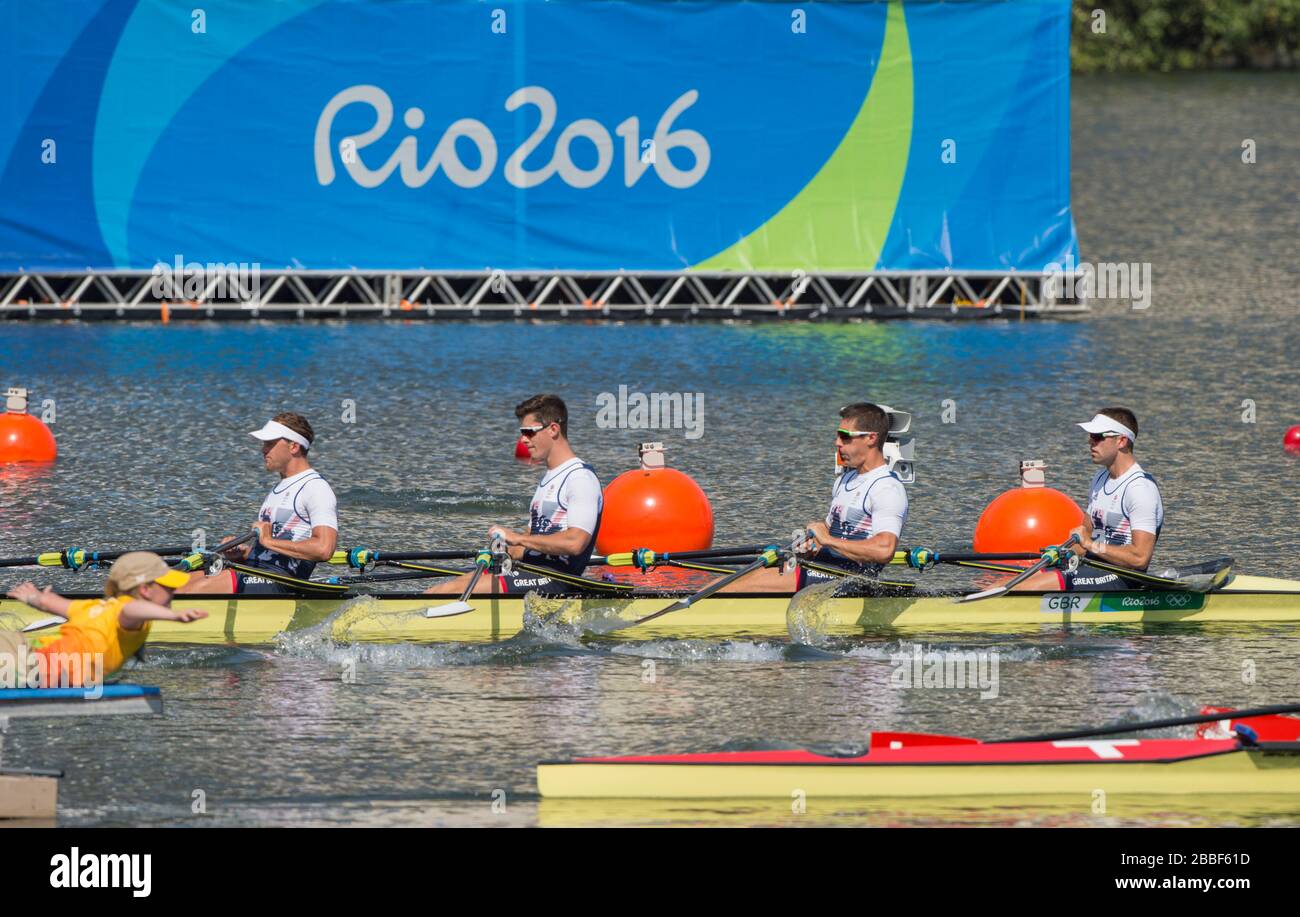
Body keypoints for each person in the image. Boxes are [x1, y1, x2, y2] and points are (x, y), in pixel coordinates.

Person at [720, 402, 908, 593]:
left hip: (852, 577)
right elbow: (831, 530)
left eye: (845, 437)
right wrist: (814, 542)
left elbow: (885, 550)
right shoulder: (846, 479)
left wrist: (826, 540)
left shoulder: (887, 488)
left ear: (871, 438)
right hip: (825, 566)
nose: (837, 442)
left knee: (732, 587)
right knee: (737, 577)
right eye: (837, 435)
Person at [426, 394, 602, 595]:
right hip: (529, 571)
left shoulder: (580, 479)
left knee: (450, 591)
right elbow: (532, 541)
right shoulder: (549, 479)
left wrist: (517, 538)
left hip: (556, 578)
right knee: (438, 589)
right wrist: (505, 551)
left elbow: (575, 542)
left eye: (529, 432)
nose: (523, 440)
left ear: (553, 429)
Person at [179, 412, 338, 594]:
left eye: (270, 443)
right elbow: (268, 551)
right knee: (175, 583)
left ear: (293, 447)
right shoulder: (278, 489)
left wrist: (268, 541)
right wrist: (242, 554)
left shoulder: (315, 488)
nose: (263, 450)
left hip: (281, 579)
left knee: (192, 589)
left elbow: (324, 549)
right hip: (255, 572)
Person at [0, 552, 208, 688]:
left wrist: (34, 597)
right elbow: (134, 609)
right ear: (144, 590)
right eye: (168, 588)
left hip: (24, 655)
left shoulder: (96, 607)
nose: (173, 592)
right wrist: (174, 616)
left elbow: (52, 603)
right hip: (27, 665)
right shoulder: (127, 613)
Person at [1018, 407, 1164, 592]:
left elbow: (1140, 558)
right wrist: (1065, 552)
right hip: (1092, 568)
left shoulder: (1140, 489)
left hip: (1123, 576)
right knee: (1006, 583)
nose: (1090, 441)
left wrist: (1090, 545)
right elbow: (1084, 540)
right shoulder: (1099, 479)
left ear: (1121, 441)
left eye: (1097, 436)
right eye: (1090, 436)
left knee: (1021, 588)